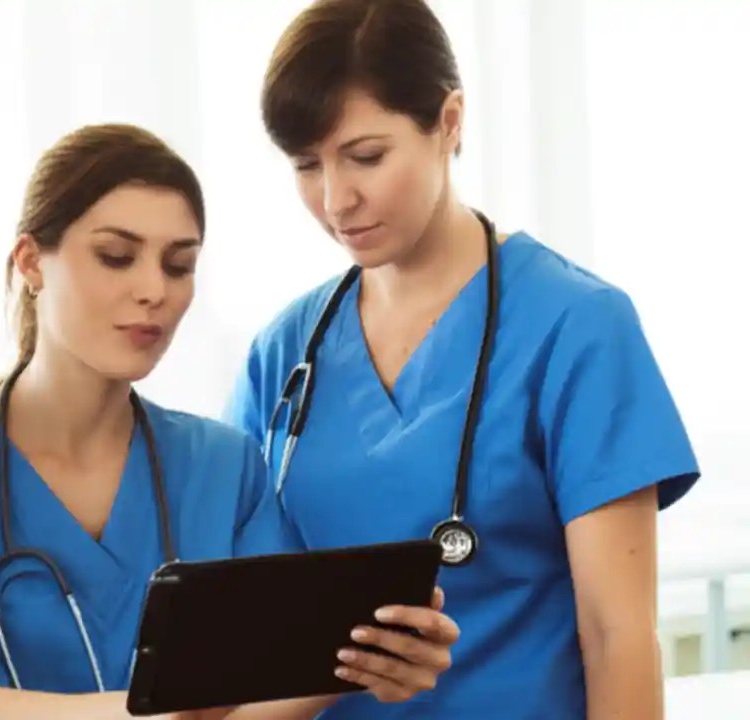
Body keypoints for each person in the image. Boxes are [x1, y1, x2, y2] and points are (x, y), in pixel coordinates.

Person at [0, 123, 460, 720]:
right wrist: (167, 714)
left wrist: (360, 666)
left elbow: (262, 691)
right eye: (116, 256)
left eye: (178, 265)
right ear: (30, 262)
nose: (153, 290)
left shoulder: (223, 466)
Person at [224, 1, 701, 718]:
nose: (335, 199)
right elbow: (242, 625)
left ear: (450, 123)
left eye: (365, 157)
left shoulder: (576, 327)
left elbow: (618, 636)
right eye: (305, 165)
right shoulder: (286, 352)